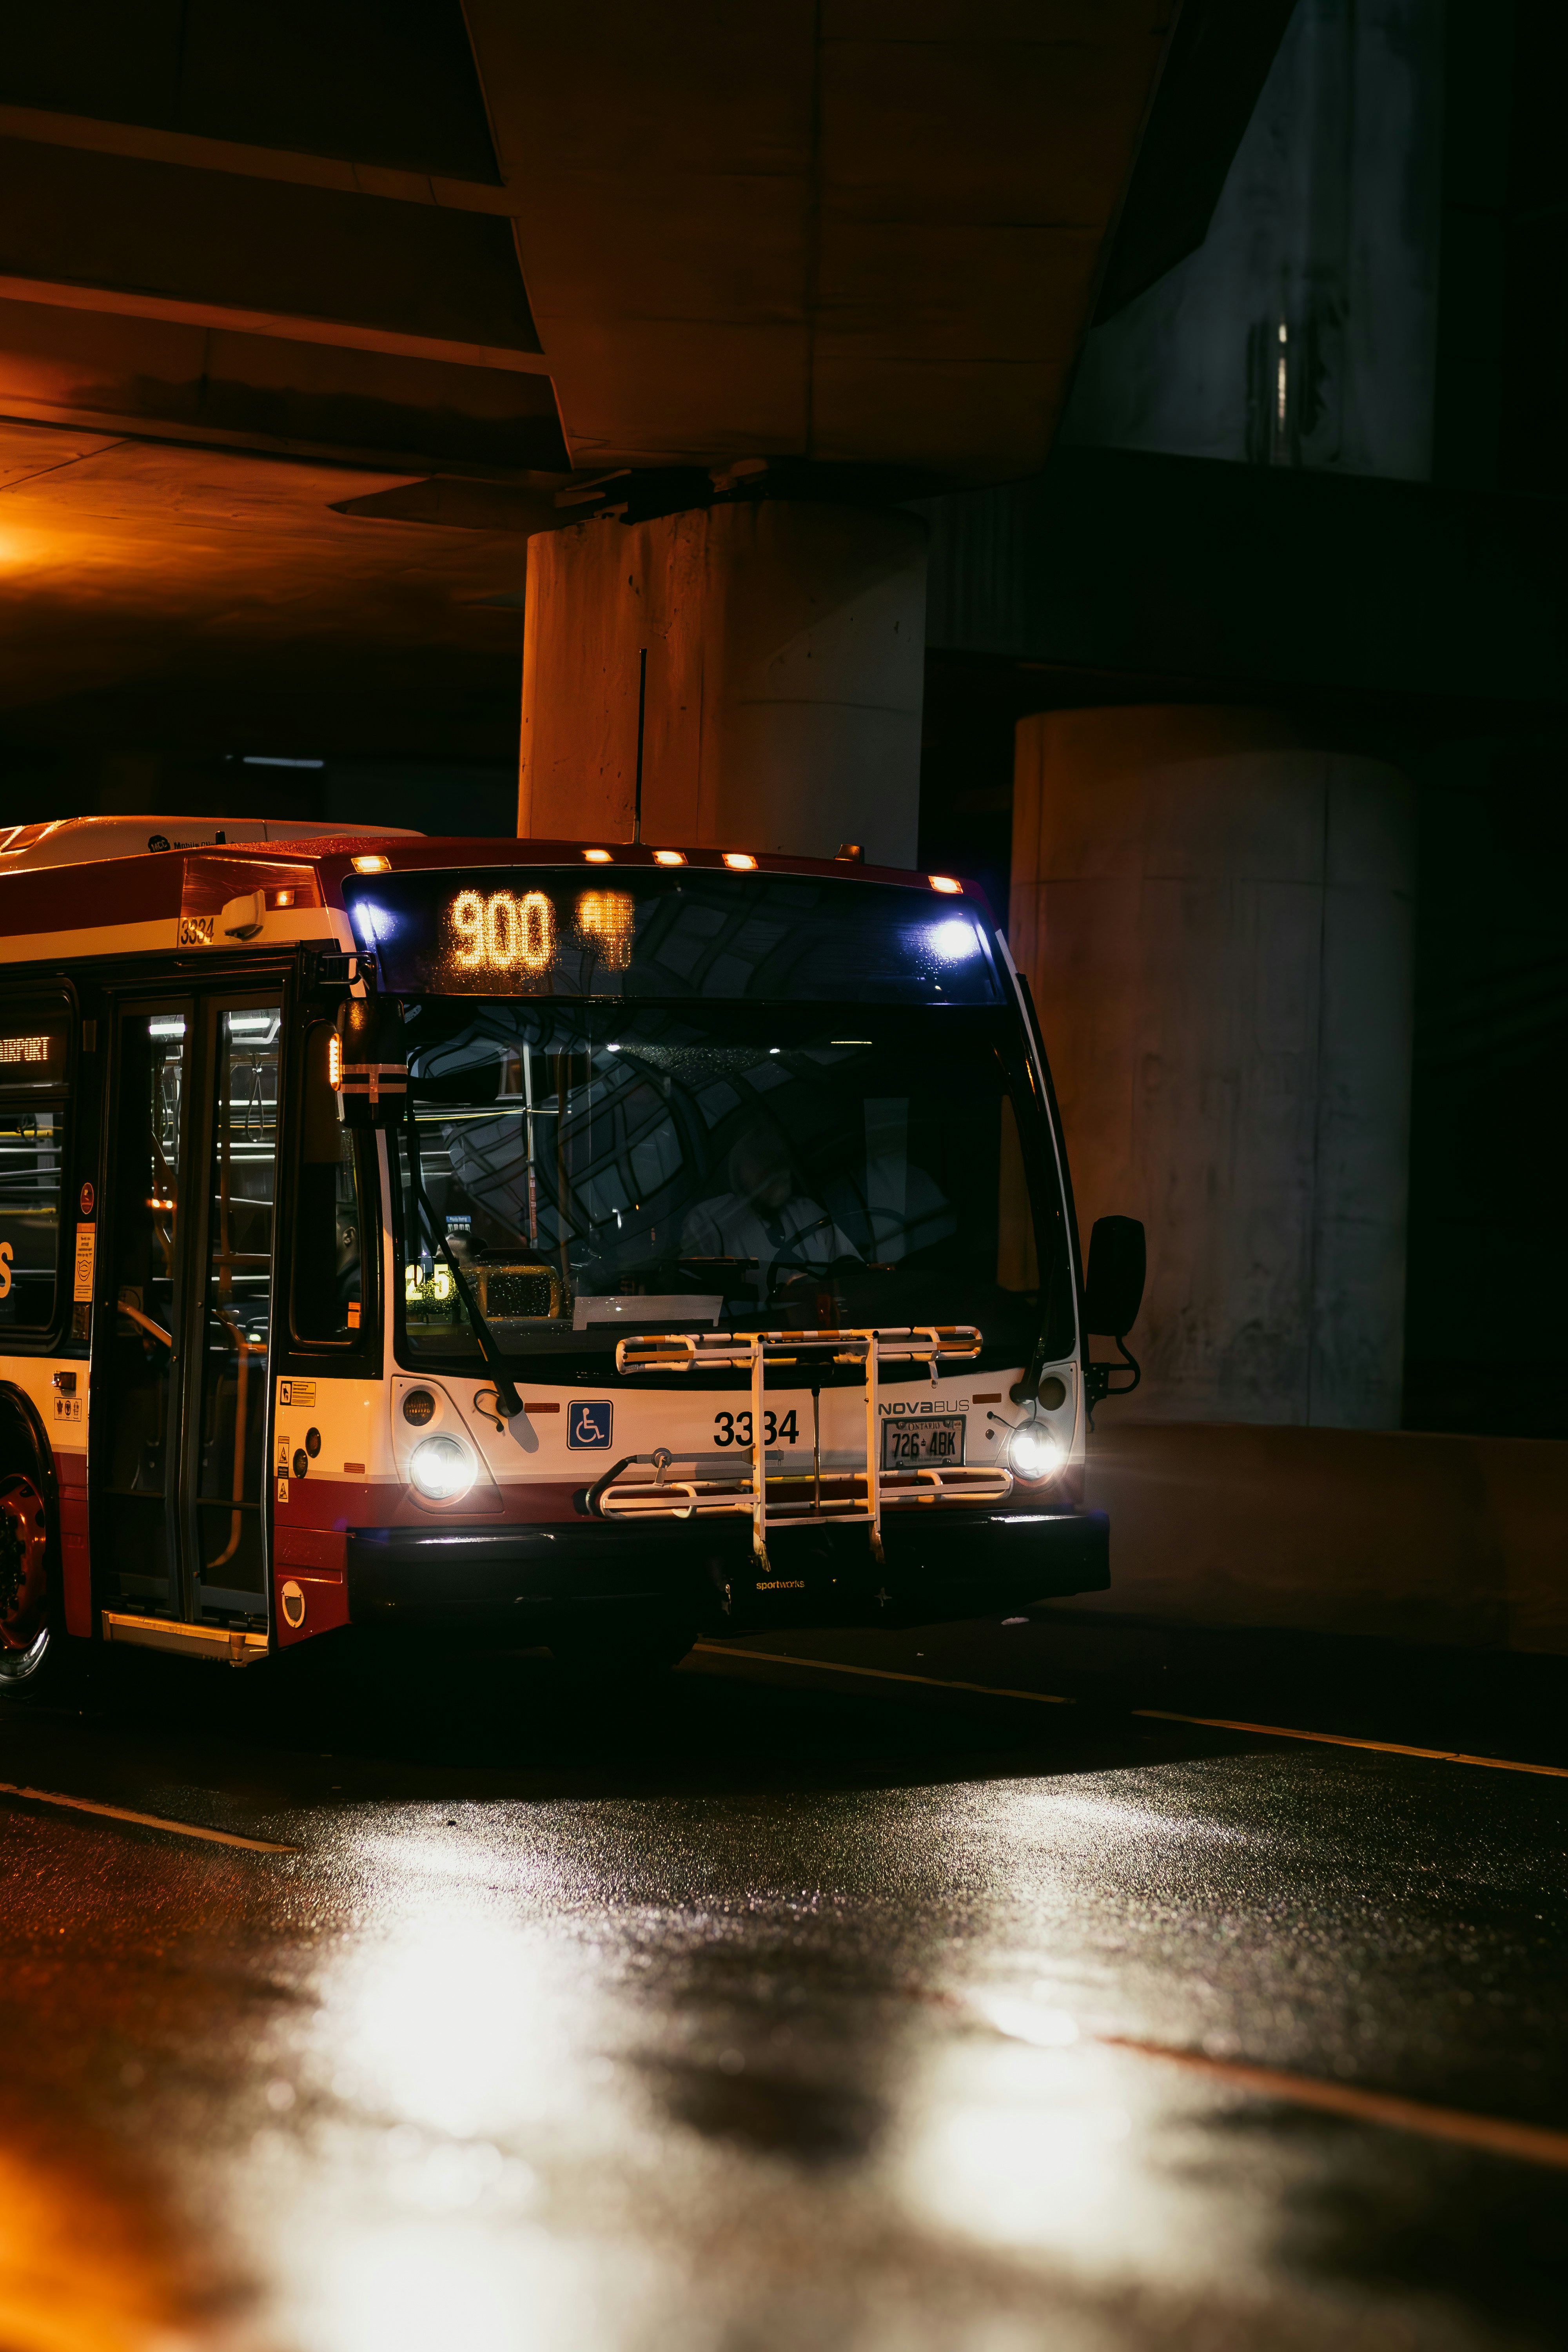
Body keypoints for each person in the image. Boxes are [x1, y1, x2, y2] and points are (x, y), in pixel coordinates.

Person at [681, 1121, 859, 1298]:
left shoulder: (809, 1212)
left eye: (780, 1158)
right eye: (762, 1158)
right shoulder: (708, 1222)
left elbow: (852, 1273)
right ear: (739, 1167)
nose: (774, 1168)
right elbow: (696, 1300)